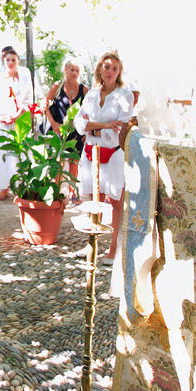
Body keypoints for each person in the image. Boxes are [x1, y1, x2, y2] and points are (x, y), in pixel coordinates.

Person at [75, 51, 134, 259]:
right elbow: (79, 123)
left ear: (119, 73)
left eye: (114, 68)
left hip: (113, 154)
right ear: (100, 68)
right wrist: (103, 126)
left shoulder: (124, 95)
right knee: (94, 198)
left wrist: (94, 129)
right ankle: (93, 244)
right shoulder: (91, 94)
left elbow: (120, 129)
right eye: (107, 67)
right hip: (91, 153)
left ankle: (114, 247)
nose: (110, 71)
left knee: (115, 200)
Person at [0, 48, 34, 199]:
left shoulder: (25, 75)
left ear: (18, 61)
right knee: (2, 152)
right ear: (4, 61)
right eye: (7, 60)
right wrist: (2, 116)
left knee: (18, 153)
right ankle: (3, 187)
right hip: (1, 121)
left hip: (19, 119)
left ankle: (19, 186)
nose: (10, 62)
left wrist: (17, 115)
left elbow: (28, 99)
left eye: (13, 60)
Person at [45, 55, 87, 202]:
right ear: (65, 70)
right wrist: (54, 124)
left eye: (77, 70)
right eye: (72, 70)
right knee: (58, 163)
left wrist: (86, 132)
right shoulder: (57, 87)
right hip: (58, 131)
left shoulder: (83, 90)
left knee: (74, 163)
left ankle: (73, 193)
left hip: (76, 133)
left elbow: (89, 113)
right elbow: (46, 107)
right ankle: (55, 192)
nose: (74, 73)